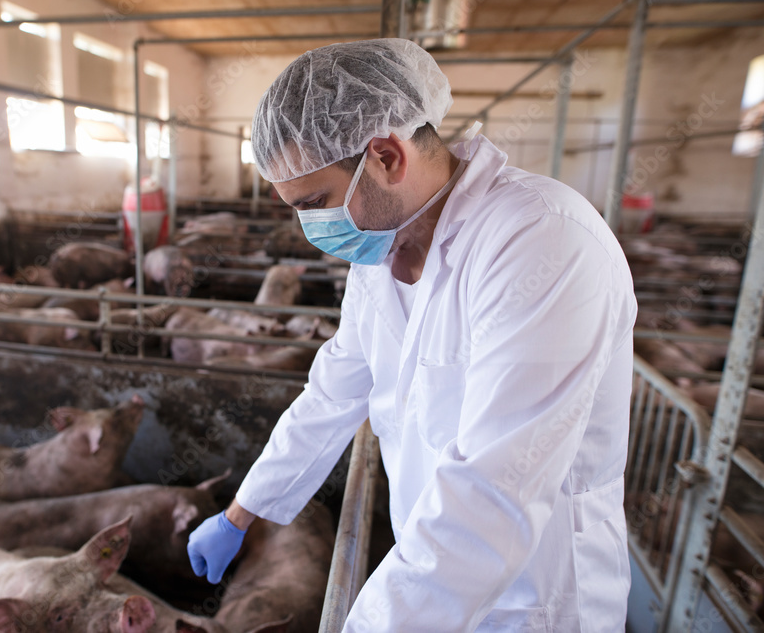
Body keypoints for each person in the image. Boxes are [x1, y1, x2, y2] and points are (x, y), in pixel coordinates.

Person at [187, 38, 636, 632]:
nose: (309, 226)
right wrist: (242, 513)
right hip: (429, 576)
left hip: (533, 597)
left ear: (386, 156)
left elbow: (493, 486)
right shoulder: (379, 256)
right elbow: (333, 391)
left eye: (315, 201)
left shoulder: (541, 240)